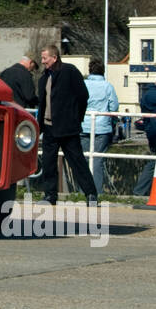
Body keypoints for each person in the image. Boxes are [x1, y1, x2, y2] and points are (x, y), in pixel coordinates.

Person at [33, 45, 96, 206]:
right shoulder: (44, 77)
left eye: (45, 58)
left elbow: (83, 96)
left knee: (77, 162)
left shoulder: (70, 71)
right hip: (49, 127)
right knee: (48, 163)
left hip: (68, 126)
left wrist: (77, 117)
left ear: (54, 58)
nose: (42, 61)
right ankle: (50, 196)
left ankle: (91, 194)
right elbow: (42, 101)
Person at [81, 58, 119, 196]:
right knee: (97, 160)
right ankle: (96, 192)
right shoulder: (107, 86)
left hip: (83, 125)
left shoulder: (82, 84)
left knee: (83, 160)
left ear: (90, 70)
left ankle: (83, 191)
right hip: (101, 127)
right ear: (103, 71)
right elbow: (113, 106)